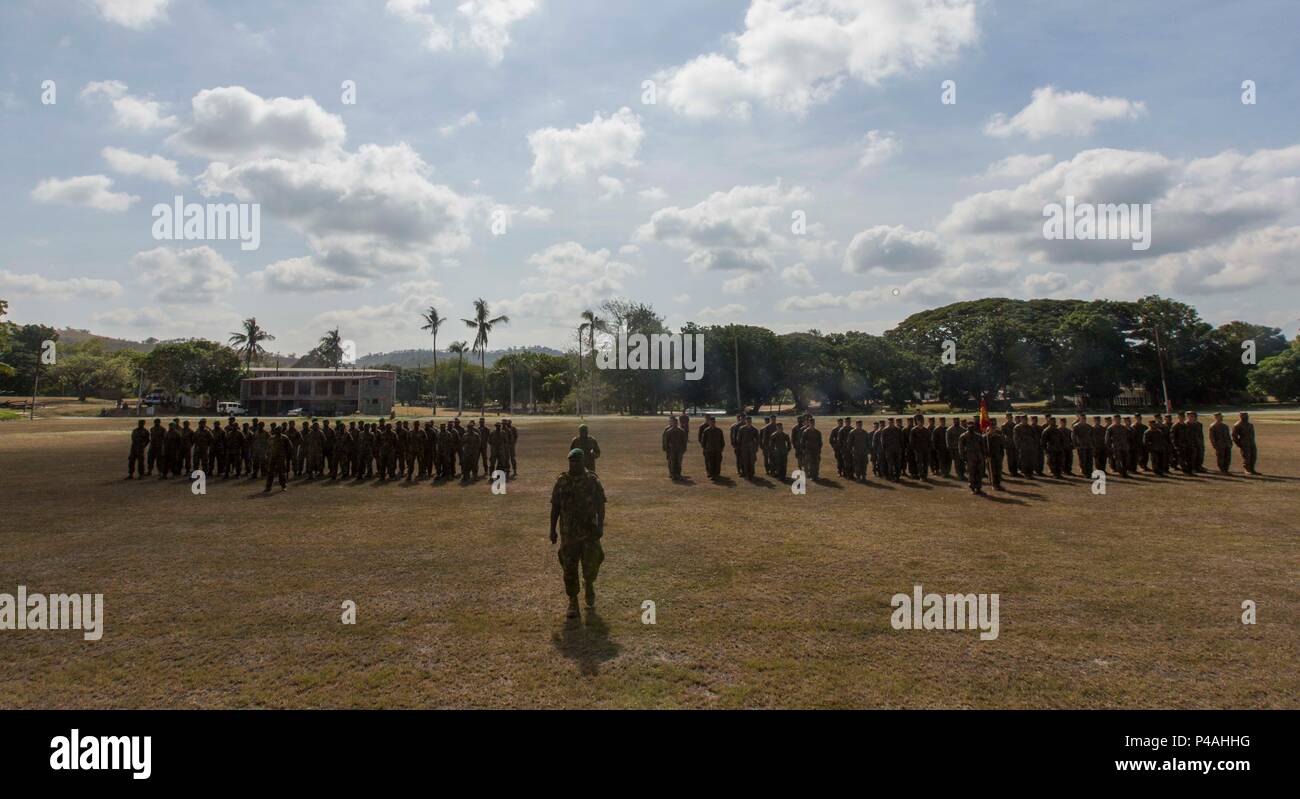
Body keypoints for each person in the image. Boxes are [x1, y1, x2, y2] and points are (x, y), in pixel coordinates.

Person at [550, 447, 607, 620]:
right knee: (569, 569)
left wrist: (600, 526)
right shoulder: (562, 481)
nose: (573, 464)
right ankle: (573, 602)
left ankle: (589, 584)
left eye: (576, 461)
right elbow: (555, 507)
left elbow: (601, 504)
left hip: (589, 533)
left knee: (591, 564)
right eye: (571, 461)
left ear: (583, 462)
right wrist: (552, 529)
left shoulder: (591, 480)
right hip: (569, 535)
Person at [958, 417, 985, 495]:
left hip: (978, 457)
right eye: (969, 427)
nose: (971, 428)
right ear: (967, 427)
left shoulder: (978, 436)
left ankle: (978, 487)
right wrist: (963, 456)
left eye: (972, 427)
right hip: (970, 457)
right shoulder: (963, 436)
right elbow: (961, 447)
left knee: (979, 473)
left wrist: (984, 455)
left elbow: (982, 446)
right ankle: (973, 487)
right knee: (971, 473)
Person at [264, 424, 290, 492]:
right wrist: (267, 455)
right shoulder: (271, 438)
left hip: (281, 457)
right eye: (276, 430)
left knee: (281, 472)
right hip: (272, 457)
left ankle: (283, 486)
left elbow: (289, 447)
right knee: (270, 473)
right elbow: (268, 447)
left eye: (279, 430)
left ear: (281, 430)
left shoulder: (285, 438)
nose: (277, 431)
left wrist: (287, 455)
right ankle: (268, 487)